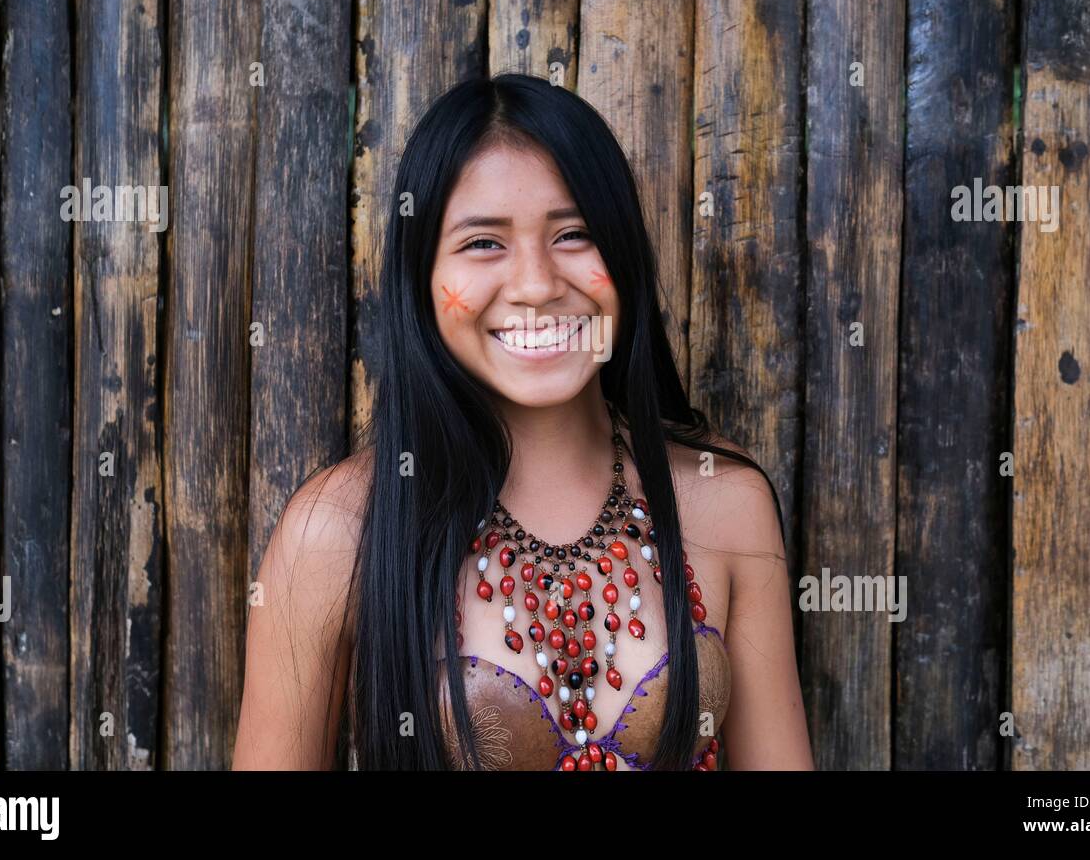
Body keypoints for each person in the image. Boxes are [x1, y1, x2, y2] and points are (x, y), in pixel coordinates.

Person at [232, 73, 812, 771]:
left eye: (574, 234)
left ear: (623, 256)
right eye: (483, 243)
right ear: (421, 278)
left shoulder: (725, 501)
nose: (536, 284)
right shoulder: (333, 535)